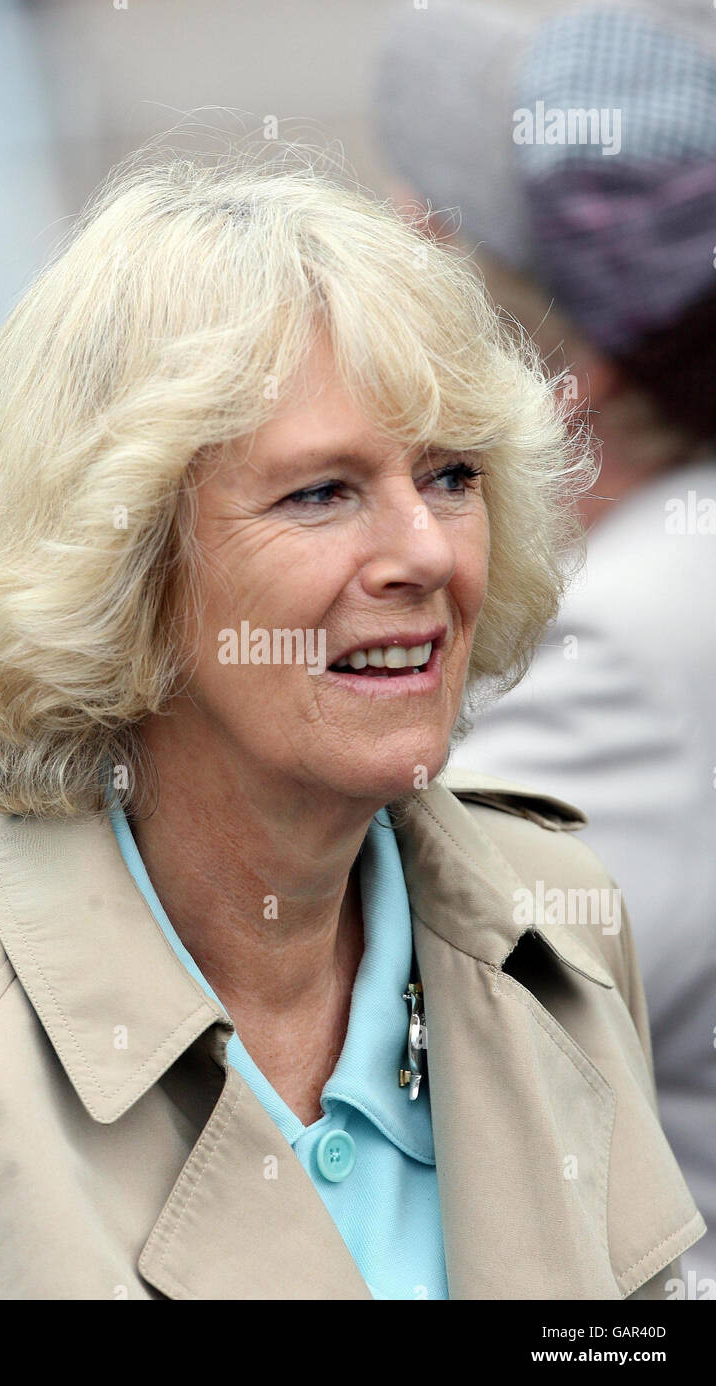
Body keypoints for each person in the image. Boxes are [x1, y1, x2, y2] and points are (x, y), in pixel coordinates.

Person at [0, 149, 704, 1300]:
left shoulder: (558, 924)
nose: (426, 552)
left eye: (450, 475)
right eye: (321, 492)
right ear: (129, 563)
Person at [375, 0, 716, 1281]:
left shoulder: (632, 643)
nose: (398, 233)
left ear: (577, 381)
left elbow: (398, 1038)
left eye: (440, 253)